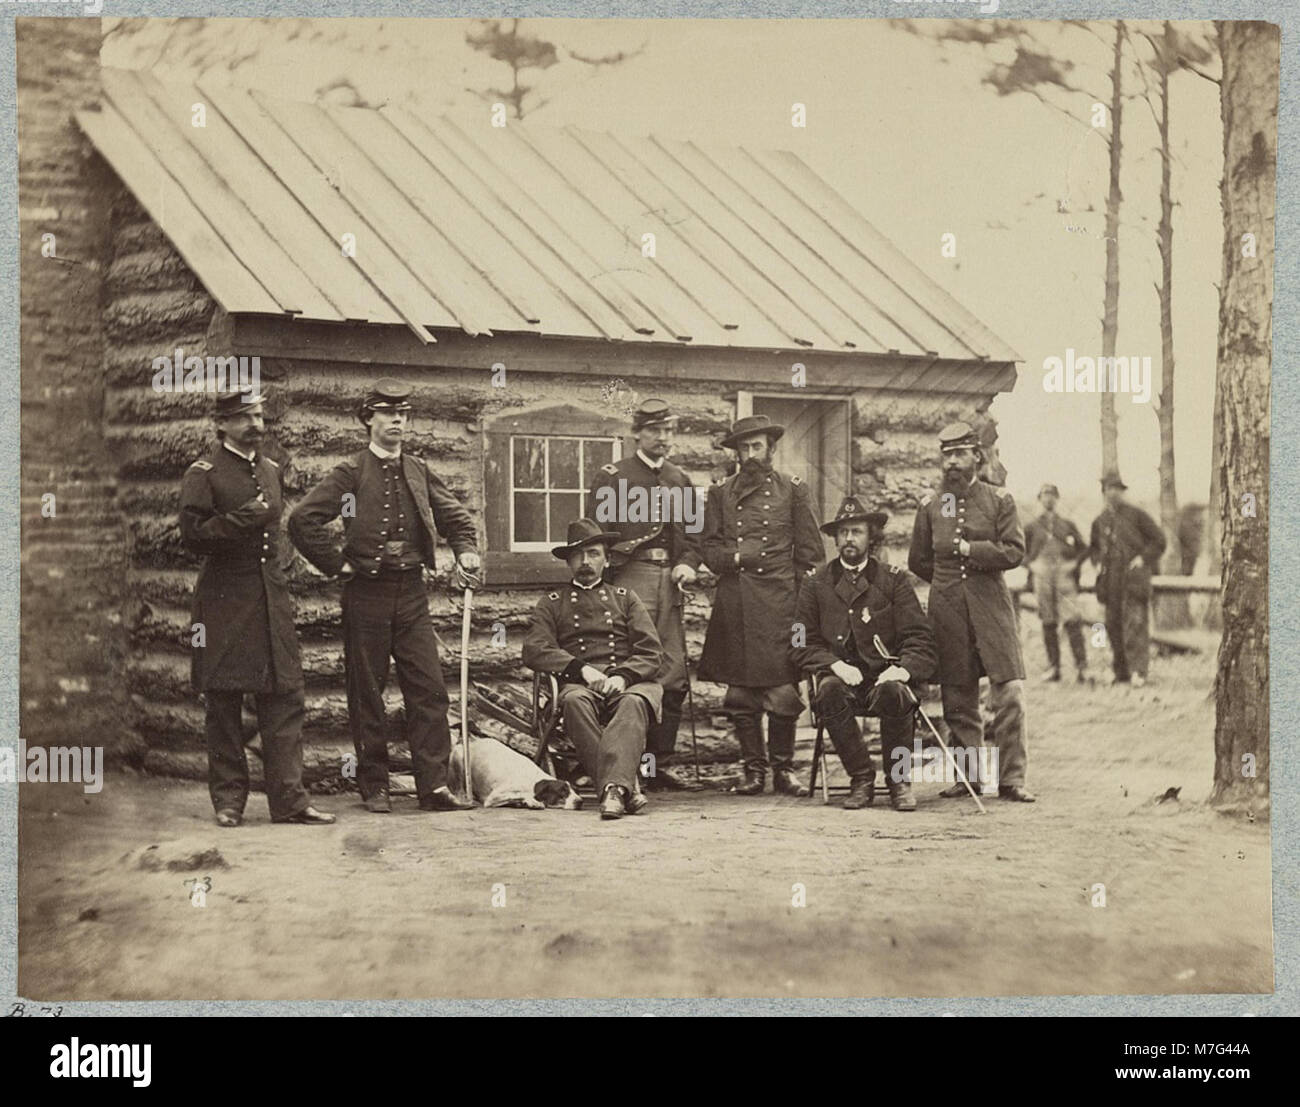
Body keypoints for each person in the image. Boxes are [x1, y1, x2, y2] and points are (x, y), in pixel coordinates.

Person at [289, 379, 480, 814]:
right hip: (366, 594)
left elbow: (455, 517)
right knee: (368, 692)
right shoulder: (351, 473)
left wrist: (466, 549)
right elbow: (303, 521)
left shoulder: (417, 469)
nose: (397, 420)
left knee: (428, 688)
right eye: (388, 413)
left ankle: (433, 787)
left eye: (403, 413)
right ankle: (375, 786)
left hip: (412, 592)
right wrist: (338, 564)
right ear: (368, 419)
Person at [179, 387, 334, 828]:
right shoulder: (203, 473)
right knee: (225, 702)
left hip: (270, 596)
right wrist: (243, 519)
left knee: (284, 697)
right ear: (222, 424)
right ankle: (229, 802)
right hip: (224, 599)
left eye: (260, 417)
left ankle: (290, 801)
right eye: (245, 417)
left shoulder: (270, 469)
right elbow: (192, 537)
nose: (256, 426)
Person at [908, 422, 1035, 802]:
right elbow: (919, 560)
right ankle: (970, 778)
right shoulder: (931, 506)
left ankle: (1013, 779)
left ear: (976, 457)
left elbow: (1014, 552)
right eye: (947, 456)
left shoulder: (1000, 501)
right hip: (948, 611)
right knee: (958, 699)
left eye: (960, 454)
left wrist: (971, 552)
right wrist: (948, 585)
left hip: (993, 607)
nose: (952, 463)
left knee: (1009, 692)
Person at [699, 414, 824, 797]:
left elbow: (810, 554)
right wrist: (737, 558)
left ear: (771, 450)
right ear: (735, 453)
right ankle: (754, 771)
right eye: (744, 448)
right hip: (736, 601)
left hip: (781, 602)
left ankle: (784, 770)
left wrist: (804, 609)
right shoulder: (721, 493)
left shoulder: (793, 490)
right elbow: (708, 549)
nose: (751, 455)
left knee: (783, 692)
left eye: (757, 447)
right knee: (741, 695)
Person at [792, 498, 937, 810]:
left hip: (884, 677)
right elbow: (799, 640)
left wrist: (903, 670)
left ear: (872, 538)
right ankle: (861, 778)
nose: (848, 539)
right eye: (842, 532)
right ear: (835, 538)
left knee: (895, 692)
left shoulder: (893, 579)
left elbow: (920, 638)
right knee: (828, 690)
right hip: (843, 679)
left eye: (856, 532)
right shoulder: (815, 582)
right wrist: (834, 665)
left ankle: (898, 780)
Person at [589, 398, 703, 792]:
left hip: (669, 581)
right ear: (637, 432)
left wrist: (688, 563)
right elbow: (596, 538)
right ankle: (625, 767)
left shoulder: (679, 479)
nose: (663, 438)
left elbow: (695, 536)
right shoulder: (613, 477)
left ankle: (656, 767)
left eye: (669, 430)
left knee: (671, 674)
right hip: (629, 580)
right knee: (631, 669)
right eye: (655, 430)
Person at [522, 519, 665, 820]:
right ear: (568, 561)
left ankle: (613, 790)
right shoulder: (552, 603)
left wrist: (623, 676)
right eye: (578, 555)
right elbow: (534, 650)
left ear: (607, 559)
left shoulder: (626, 599)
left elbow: (651, 652)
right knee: (574, 701)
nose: (586, 562)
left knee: (634, 702)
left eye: (594, 554)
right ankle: (625, 788)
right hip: (578, 683)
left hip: (627, 681)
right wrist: (581, 670)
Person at [1088, 472, 1167, 688]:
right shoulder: (1100, 521)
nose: (1114, 493)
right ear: (1104, 493)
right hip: (1110, 580)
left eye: (1118, 489)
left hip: (1133, 578)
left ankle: (1138, 672)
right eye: (1109, 489)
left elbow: (1159, 540)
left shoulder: (1137, 515)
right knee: (1112, 625)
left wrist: (1143, 559)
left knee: (1136, 624)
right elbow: (1093, 548)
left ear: (1123, 492)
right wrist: (1096, 563)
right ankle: (1120, 671)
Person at [1024, 483, 1090, 682]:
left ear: (1057, 498)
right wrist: (1031, 565)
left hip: (1064, 576)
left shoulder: (1067, 525)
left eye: (1052, 495)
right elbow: (1018, 551)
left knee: (1072, 620)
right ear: (1039, 499)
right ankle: (1054, 668)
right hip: (1042, 575)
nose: (1048, 499)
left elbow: (1084, 548)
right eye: (1045, 495)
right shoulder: (1032, 526)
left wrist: (1073, 564)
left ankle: (1082, 667)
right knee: (1048, 621)